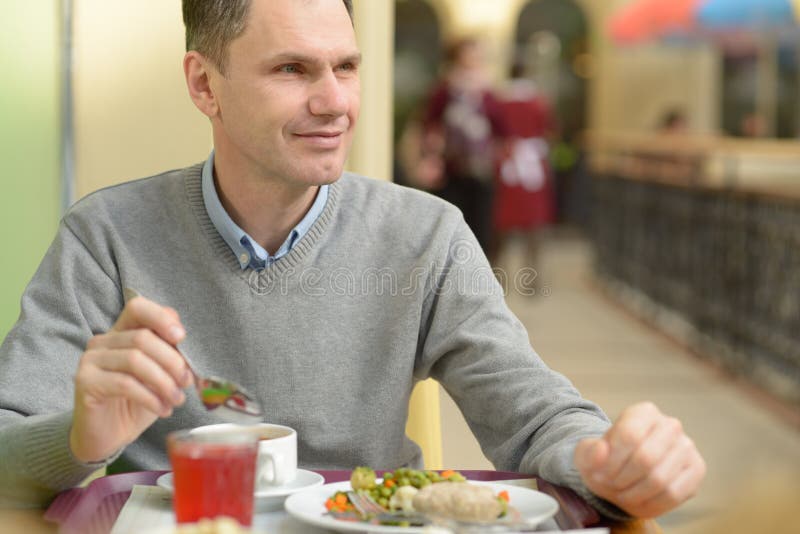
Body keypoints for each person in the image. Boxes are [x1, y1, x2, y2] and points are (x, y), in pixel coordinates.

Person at [0, 0, 705, 521]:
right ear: (204, 85)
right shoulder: (106, 234)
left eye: (346, 67)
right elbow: (7, 446)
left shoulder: (426, 235)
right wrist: (78, 435)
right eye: (292, 69)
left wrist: (602, 457)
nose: (334, 101)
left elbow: (533, 412)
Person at [421, 37, 506, 254]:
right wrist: (431, 156)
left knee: (482, 224)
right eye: (469, 54)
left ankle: (481, 274)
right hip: (451, 166)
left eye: (477, 54)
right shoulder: (445, 89)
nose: (473, 59)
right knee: (452, 220)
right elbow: (430, 124)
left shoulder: (488, 90)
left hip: (482, 167)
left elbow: (500, 126)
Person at [490, 62, 557, 280]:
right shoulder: (538, 102)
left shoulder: (500, 101)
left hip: (507, 162)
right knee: (534, 220)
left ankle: (497, 273)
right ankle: (532, 275)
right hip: (532, 164)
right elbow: (551, 129)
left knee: (503, 221)